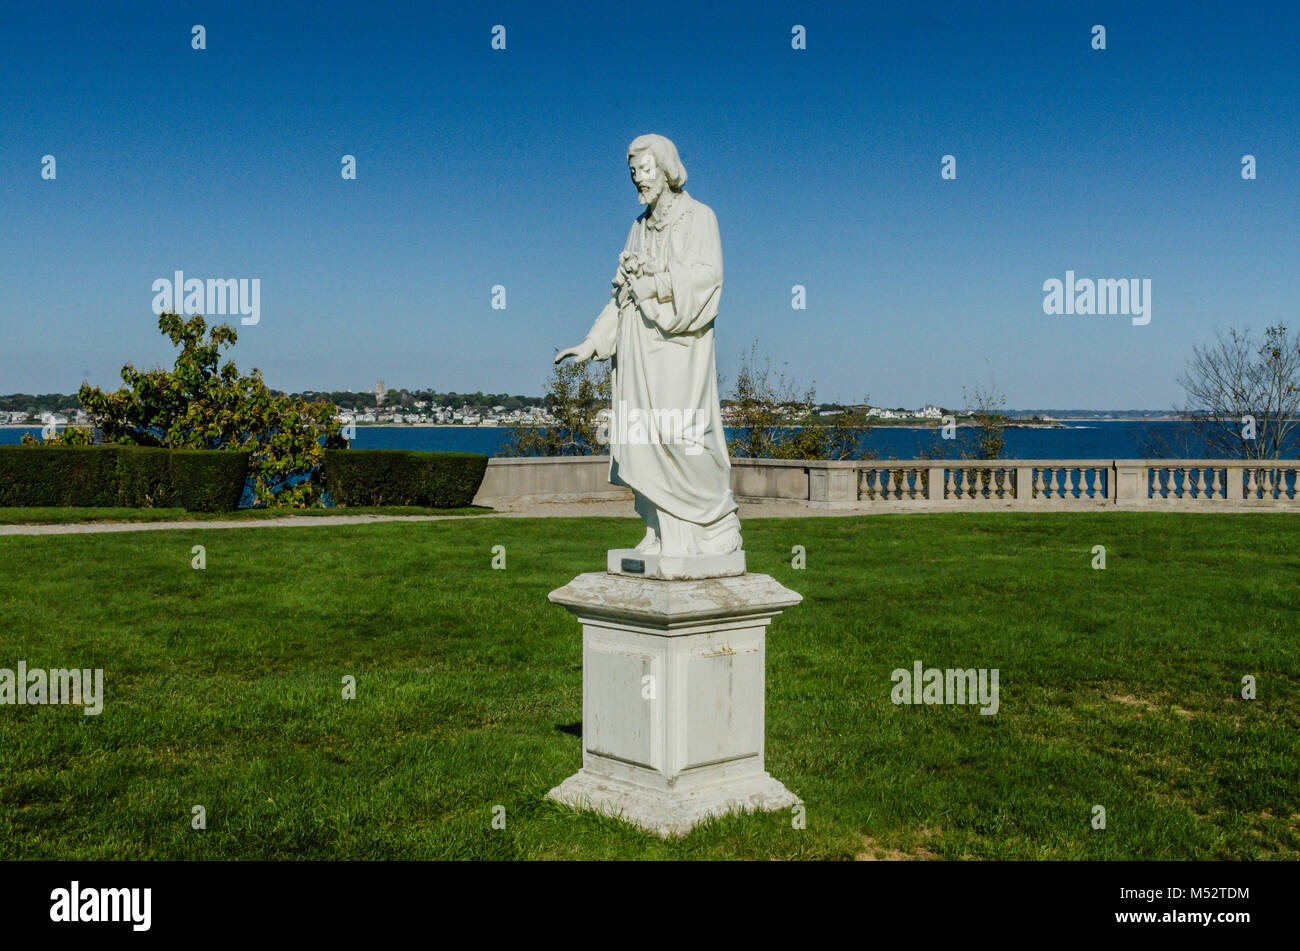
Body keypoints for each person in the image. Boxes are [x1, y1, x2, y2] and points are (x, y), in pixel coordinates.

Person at [555, 134, 741, 557]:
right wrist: (592, 343)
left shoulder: (700, 217)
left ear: (666, 168)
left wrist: (653, 282)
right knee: (642, 438)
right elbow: (621, 297)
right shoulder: (637, 228)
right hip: (638, 355)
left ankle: (714, 524)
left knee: (681, 436)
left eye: (645, 170)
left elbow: (707, 279)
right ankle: (661, 530)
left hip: (678, 351)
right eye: (633, 172)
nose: (638, 179)